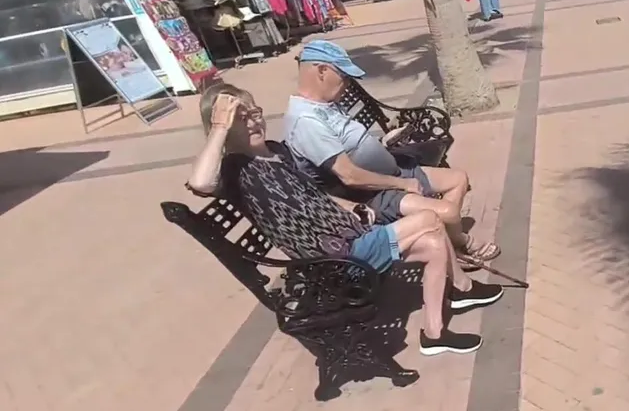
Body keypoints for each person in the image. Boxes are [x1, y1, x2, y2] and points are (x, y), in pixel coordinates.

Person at [186, 82, 501, 355]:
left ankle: (434, 334)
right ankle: (463, 287)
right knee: (430, 218)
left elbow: (314, 194)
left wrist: (354, 208)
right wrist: (219, 127)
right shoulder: (236, 170)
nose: (253, 122)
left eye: (254, 113)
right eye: (240, 119)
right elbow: (200, 183)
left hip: (353, 238)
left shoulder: (276, 151)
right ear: (221, 127)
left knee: (433, 243)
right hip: (335, 259)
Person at [282, 39, 503, 266]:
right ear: (322, 71)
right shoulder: (306, 122)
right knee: (448, 212)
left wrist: (382, 144)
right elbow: (350, 176)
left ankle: (453, 245)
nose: (347, 84)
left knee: (458, 180)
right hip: (371, 194)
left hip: (391, 173)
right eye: (344, 76)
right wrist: (402, 184)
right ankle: (461, 243)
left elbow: (354, 146)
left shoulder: (324, 104)